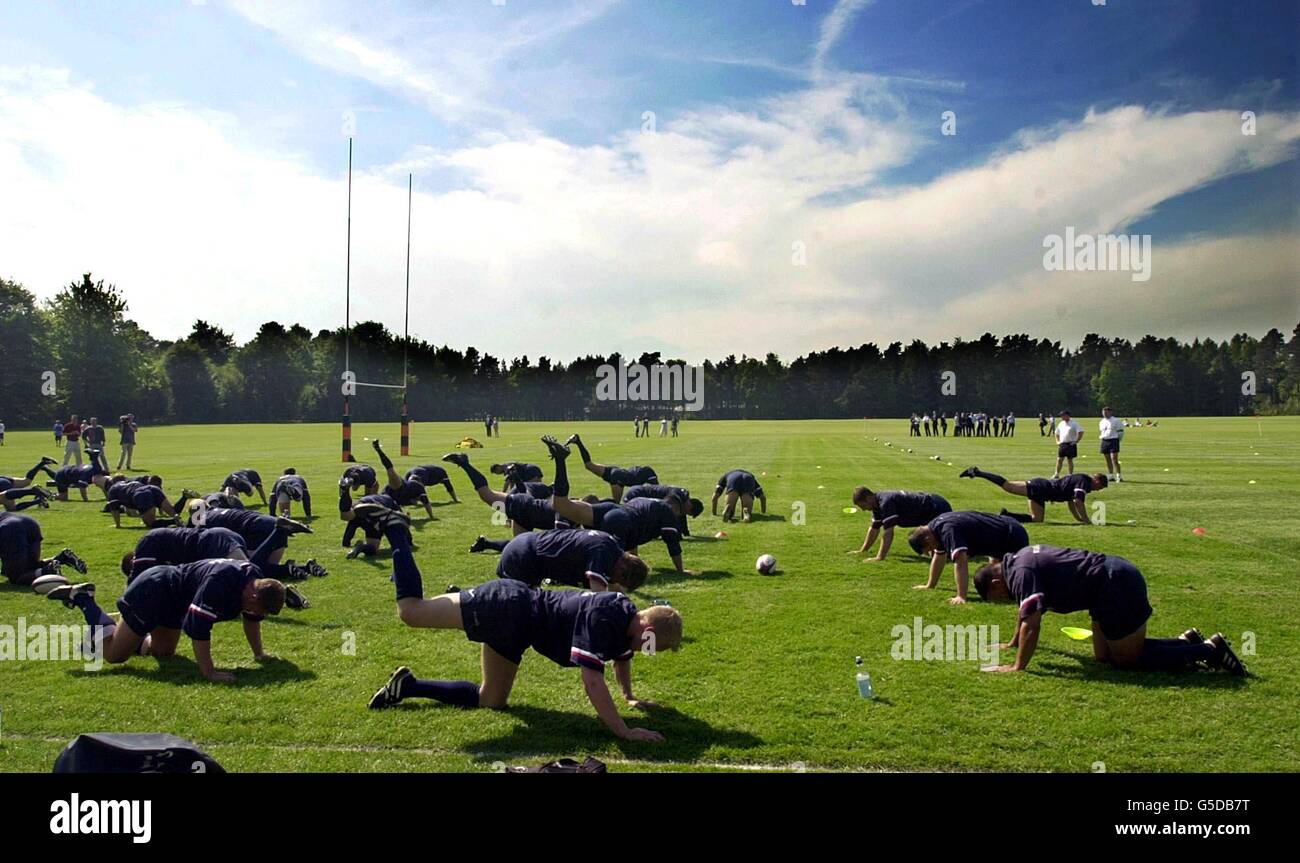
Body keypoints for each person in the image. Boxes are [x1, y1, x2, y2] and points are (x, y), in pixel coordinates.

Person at [367, 520, 681, 742]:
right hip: (507, 605)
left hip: (518, 629)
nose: (650, 651)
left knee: (491, 700)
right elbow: (592, 681)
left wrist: (629, 696)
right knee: (412, 612)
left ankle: (409, 686)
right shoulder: (606, 614)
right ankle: (396, 530)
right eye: (655, 645)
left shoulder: (628, 625)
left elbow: (623, 656)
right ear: (648, 628)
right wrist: (623, 731)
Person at [46, 528, 289, 683]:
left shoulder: (254, 580)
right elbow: (199, 630)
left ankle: (123, 631)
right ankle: (85, 600)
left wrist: (259, 654)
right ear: (255, 596)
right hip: (153, 590)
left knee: (163, 652)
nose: (255, 614)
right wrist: (209, 672)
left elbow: (253, 620)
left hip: (174, 601)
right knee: (114, 656)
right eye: (258, 609)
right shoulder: (222, 582)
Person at [974, 545, 1246, 676]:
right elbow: (1024, 613)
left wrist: (1017, 666)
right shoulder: (1017, 563)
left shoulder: (1021, 573)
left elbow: (1031, 624)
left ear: (996, 583)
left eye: (995, 597)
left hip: (1116, 584)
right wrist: (1011, 643)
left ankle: (1209, 650)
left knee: (1127, 661)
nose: (1001, 601)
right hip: (1105, 587)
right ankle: (1183, 642)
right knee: (1103, 657)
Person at [542, 437, 690, 573]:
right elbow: (673, 544)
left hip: (613, 510)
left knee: (561, 505)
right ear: (676, 507)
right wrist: (681, 570)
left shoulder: (645, 502)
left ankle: (560, 461)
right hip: (619, 519)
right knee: (610, 569)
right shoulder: (667, 511)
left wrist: (636, 561)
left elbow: (633, 533)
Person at [906, 511, 1030, 603]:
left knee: (1019, 574)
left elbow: (960, 561)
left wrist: (961, 596)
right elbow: (939, 557)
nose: (931, 551)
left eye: (929, 548)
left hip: (1011, 534)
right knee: (996, 576)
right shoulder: (936, 527)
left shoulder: (947, 530)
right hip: (1001, 533)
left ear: (928, 539)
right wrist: (930, 585)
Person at [442, 452, 559, 540]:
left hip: (529, 506)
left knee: (486, 495)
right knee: (488, 495)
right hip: (531, 499)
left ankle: (464, 463)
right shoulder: (562, 513)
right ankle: (464, 463)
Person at [496, 529, 648, 592]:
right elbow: (599, 597)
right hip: (523, 556)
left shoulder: (612, 550)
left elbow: (615, 589)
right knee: (518, 610)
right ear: (622, 571)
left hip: (527, 546)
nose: (614, 582)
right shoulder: (602, 553)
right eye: (621, 581)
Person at [959, 466, 1107, 524]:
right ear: (1096, 480)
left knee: (1037, 519)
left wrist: (1079, 519)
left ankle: (1006, 515)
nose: (1096, 490)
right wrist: (1087, 520)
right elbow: (1078, 502)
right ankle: (977, 472)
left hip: (1042, 488)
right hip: (1041, 488)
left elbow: (1071, 502)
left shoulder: (1083, 481)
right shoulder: (1084, 482)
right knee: (1008, 487)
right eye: (1098, 487)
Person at [849, 487, 952, 561]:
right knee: (935, 550)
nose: (863, 510)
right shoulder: (877, 505)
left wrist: (880, 557)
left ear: (868, 498)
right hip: (930, 508)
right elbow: (874, 528)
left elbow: (888, 531)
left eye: (863, 506)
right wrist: (863, 550)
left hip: (937, 506)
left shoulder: (886, 502)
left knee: (943, 550)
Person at [0, 511, 87, 586]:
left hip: (10, 528)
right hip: (29, 521)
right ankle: (61, 558)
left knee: (16, 577)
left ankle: (48, 570)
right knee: (30, 565)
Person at [565, 433, 658, 500]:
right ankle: (587, 502)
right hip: (619, 477)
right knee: (615, 504)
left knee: (589, 465)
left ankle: (578, 441)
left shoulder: (640, 470)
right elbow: (657, 490)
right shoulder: (649, 472)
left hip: (615, 470)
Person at [371, 440, 435, 519]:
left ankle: (372, 497)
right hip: (397, 489)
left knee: (383, 509)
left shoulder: (414, 491)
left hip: (393, 496)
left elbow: (425, 503)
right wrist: (431, 516)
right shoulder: (417, 487)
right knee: (390, 470)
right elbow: (426, 503)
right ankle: (378, 450)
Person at [104, 477, 191, 528]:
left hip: (141, 494)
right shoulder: (130, 481)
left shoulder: (112, 489)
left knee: (150, 523)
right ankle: (184, 497)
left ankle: (173, 521)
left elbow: (114, 508)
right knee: (173, 511)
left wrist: (118, 525)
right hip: (152, 488)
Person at [622, 483, 703, 536]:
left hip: (638, 491)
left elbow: (681, 517)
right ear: (690, 507)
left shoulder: (682, 498)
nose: (686, 514)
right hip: (635, 494)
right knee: (636, 520)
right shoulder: (676, 499)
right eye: (689, 513)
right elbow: (666, 513)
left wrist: (686, 533)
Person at [1052, 411, 1084, 477]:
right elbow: (1056, 433)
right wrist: (1057, 441)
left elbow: (1081, 431)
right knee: (1059, 459)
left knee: (1070, 460)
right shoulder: (1061, 423)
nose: (1061, 417)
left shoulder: (1074, 423)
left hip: (1071, 444)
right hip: (1063, 444)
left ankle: (1070, 474)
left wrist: (1076, 441)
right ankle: (1056, 474)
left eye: (1063, 415)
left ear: (1067, 415)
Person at [1098, 406, 1124, 482]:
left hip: (1113, 440)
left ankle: (1119, 475)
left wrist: (1118, 440)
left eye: (1106, 412)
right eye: (1103, 412)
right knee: (1107, 459)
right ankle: (1110, 475)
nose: (1104, 414)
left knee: (1114, 459)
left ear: (1111, 412)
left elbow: (1120, 432)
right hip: (1104, 440)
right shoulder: (1102, 421)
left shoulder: (1116, 420)